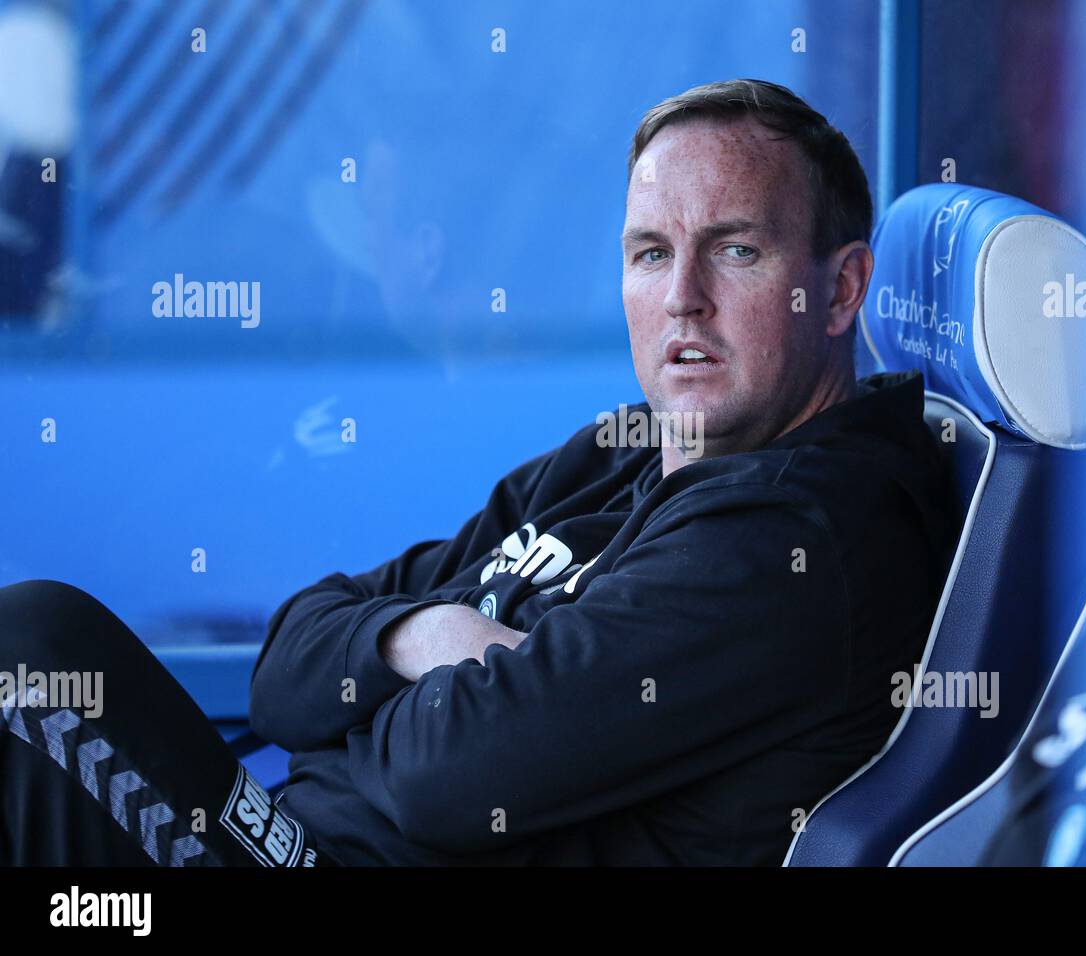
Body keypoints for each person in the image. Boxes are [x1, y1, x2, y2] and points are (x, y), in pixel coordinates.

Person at [0, 79, 956, 866]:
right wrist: (417, 639)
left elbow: (445, 778)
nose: (682, 300)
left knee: (35, 650)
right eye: (651, 253)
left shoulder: (795, 541)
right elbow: (287, 660)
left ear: (840, 290)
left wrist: (352, 723)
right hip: (291, 836)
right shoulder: (621, 453)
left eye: (736, 251)